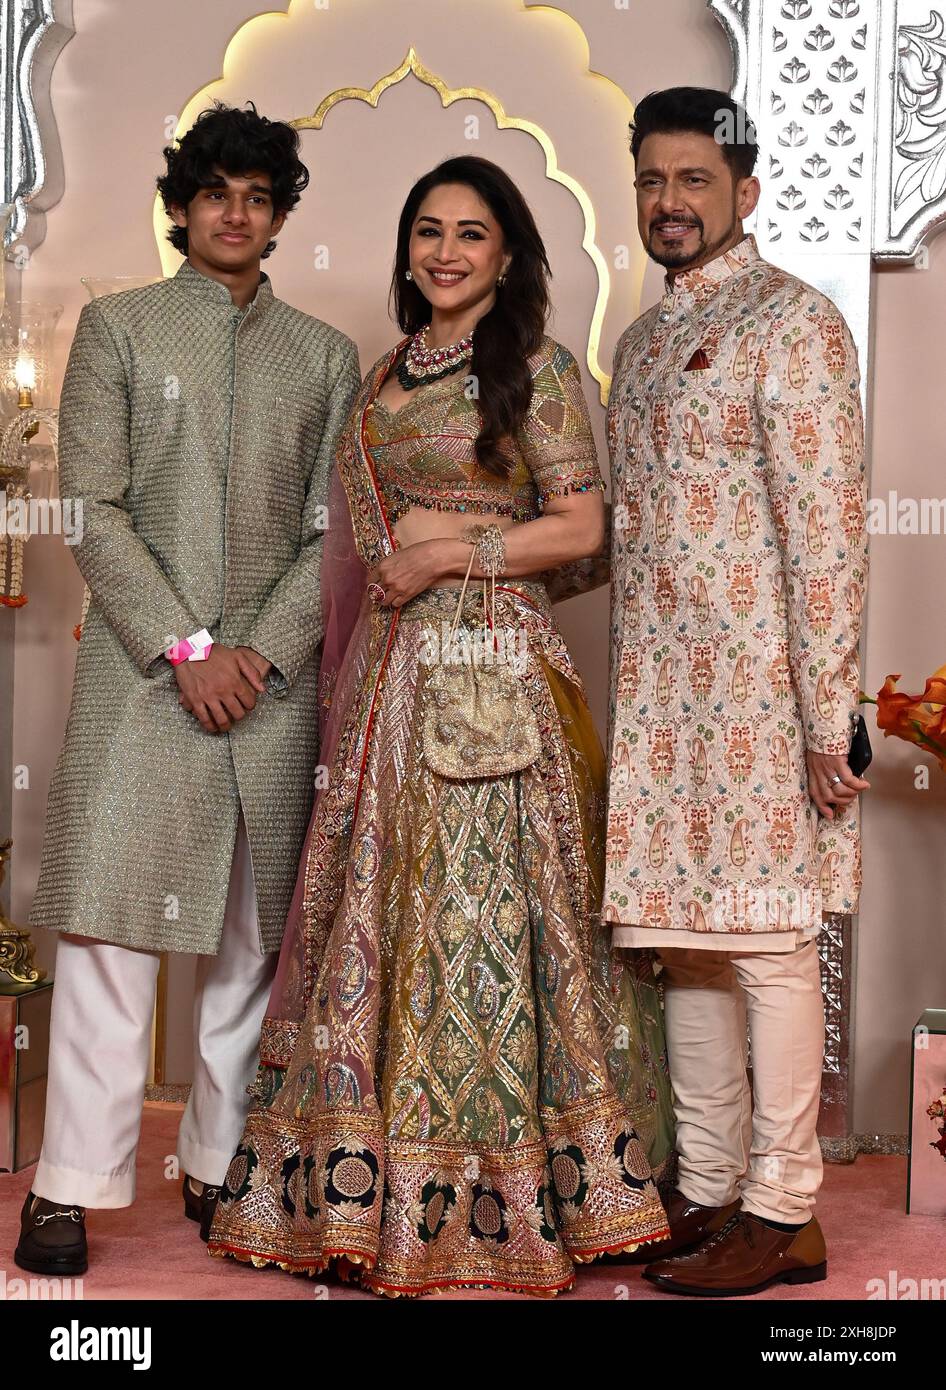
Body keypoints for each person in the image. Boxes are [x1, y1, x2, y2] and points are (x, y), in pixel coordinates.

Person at [208, 154, 675, 1298]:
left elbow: (579, 528)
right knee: (383, 904)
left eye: (472, 234)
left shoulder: (539, 370)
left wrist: (452, 551)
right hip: (389, 675)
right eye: (429, 231)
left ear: (507, 254)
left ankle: (515, 1194)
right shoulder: (381, 379)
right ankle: (363, 1186)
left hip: (490, 679)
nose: (447, 252)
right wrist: (409, 570)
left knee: (490, 915)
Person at [15, 102, 360, 1276]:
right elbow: (94, 511)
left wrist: (256, 653)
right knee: (111, 932)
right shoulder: (115, 329)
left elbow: (339, 530)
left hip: (266, 689)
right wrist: (184, 645)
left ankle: (219, 1171)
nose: (237, 213)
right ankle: (70, 1186)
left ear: (279, 216)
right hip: (143, 680)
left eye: (260, 197)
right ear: (180, 205)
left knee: (246, 942)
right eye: (217, 191)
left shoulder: (323, 356)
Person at [603, 88, 869, 1296]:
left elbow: (826, 534)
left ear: (744, 193)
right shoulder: (642, 341)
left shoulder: (793, 322)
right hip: (662, 699)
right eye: (653, 179)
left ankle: (784, 1209)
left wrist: (832, 717)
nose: (670, 201)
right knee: (687, 948)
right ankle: (705, 1190)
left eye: (694, 180)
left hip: (763, 693)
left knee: (767, 948)